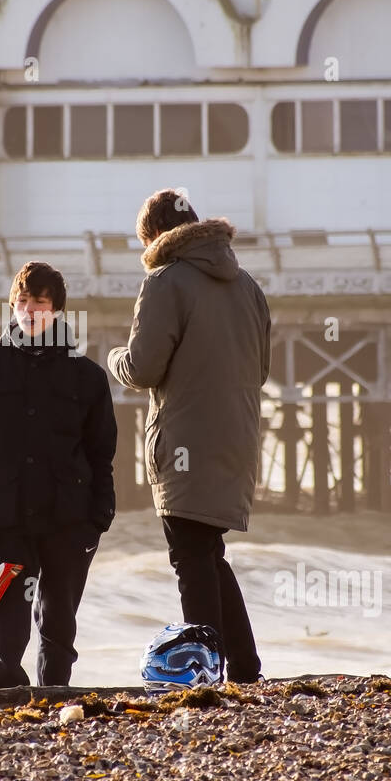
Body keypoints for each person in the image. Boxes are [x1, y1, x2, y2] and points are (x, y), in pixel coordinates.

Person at [107, 189, 272, 683]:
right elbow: (261, 370)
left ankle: (206, 671)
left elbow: (142, 367)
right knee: (207, 553)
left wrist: (114, 357)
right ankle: (243, 669)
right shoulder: (247, 285)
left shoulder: (165, 282)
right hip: (237, 438)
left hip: (184, 442)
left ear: (153, 236)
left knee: (190, 557)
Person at [0, 262, 117, 688]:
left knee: (59, 624)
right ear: (11, 305)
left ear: (57, 309)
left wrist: (99, 517)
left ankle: (53, 699)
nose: (30, 310)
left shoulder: (87, 376)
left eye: (40, 301)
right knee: (10, 628)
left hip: (69, 519)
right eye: (22, 301)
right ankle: (8, 690)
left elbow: (102, 454)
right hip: (7, 519)